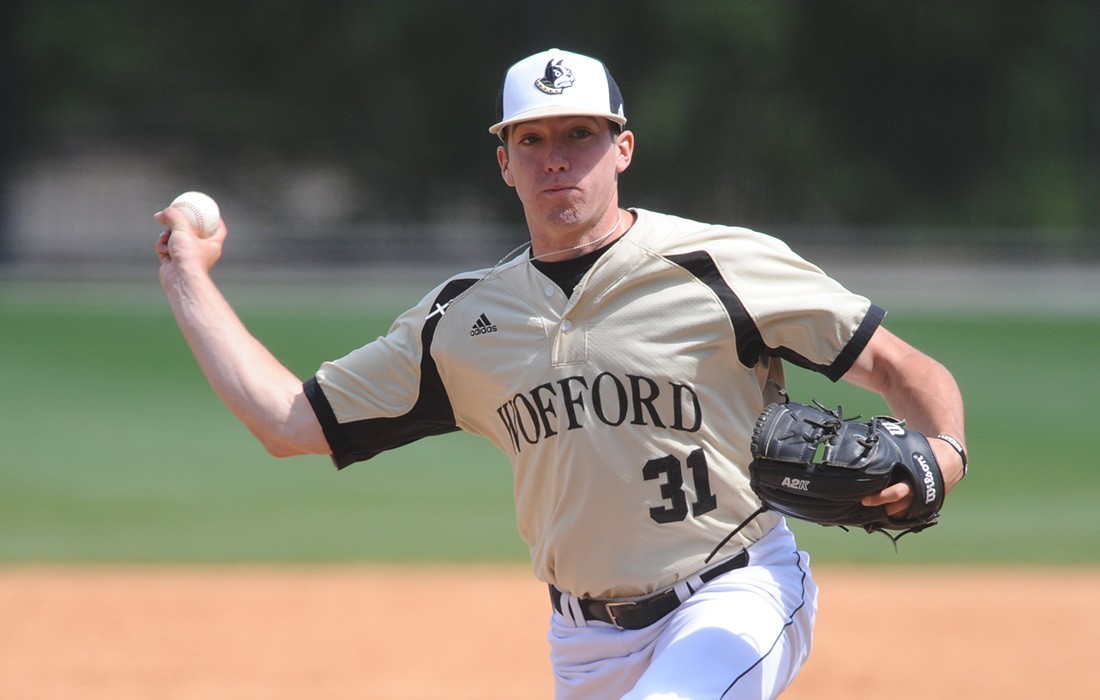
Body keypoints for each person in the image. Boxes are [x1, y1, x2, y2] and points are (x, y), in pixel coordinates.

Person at [155, 48, 967, 699]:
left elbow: (901, 369)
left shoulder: (719, 265)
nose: (556, 160)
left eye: (579, 134)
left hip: (736, 593)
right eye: (532, 140)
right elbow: (287, 421)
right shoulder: (462, 323)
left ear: (622, 149)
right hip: (582, 643)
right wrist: (187, 274)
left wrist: (946, 454)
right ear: (504, 160)